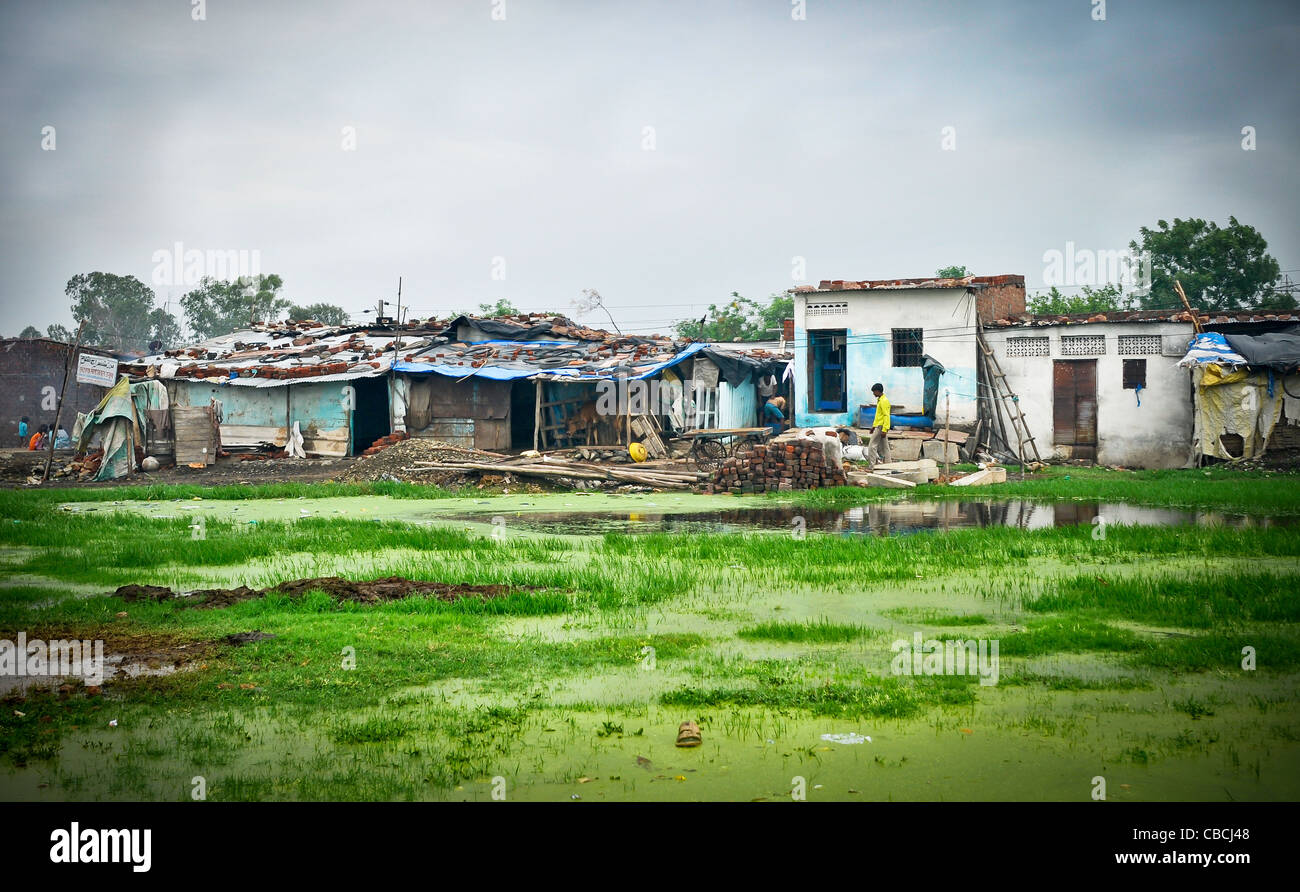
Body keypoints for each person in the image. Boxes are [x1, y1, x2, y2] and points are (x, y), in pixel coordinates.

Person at [867, 383, 892, 465]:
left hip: (881, 427)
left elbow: (886, 416)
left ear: (878, 391)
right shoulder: (880, 400)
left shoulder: (884, 401)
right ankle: (889, 464)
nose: (873, 394)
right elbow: (878, 415)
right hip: (879, 426)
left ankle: (872, 466)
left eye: (874, 392)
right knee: (885, 447)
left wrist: (885, 429)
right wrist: (873, 427)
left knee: (872, 446)